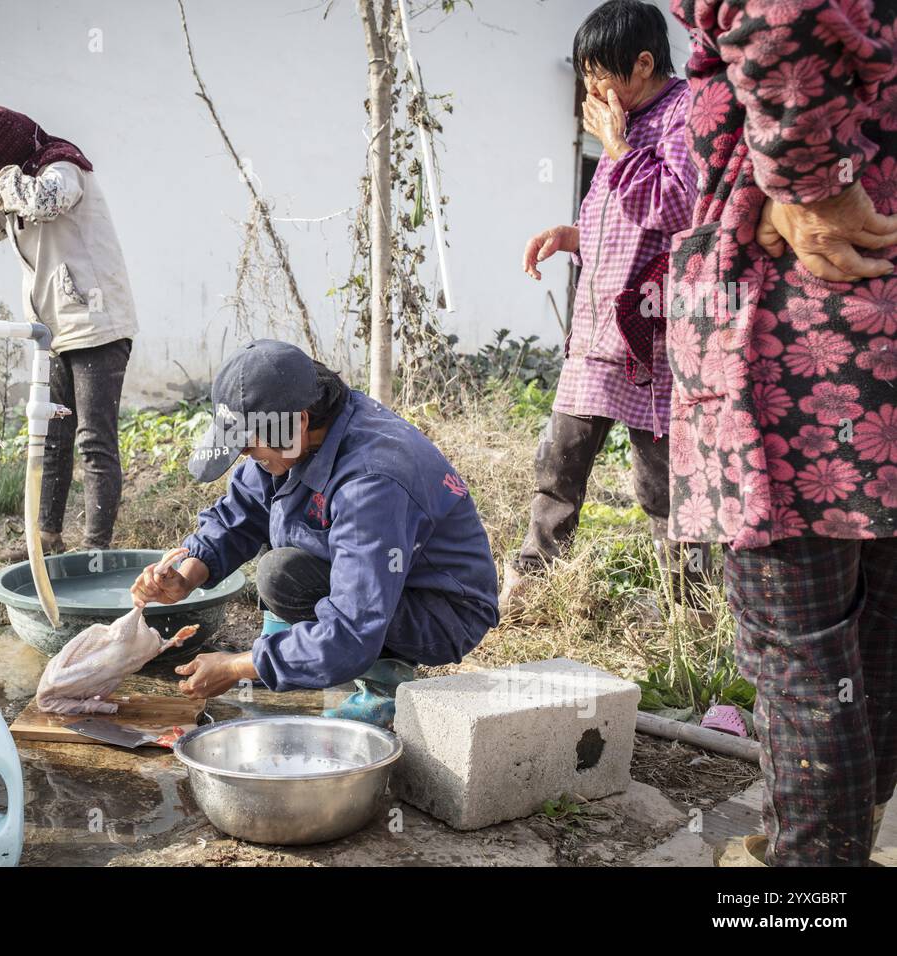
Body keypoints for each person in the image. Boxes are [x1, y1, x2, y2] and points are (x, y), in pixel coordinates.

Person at [668, 0, 897, 867]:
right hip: (873, 307)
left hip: (802, 325)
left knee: (801, 647)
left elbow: (776, 8)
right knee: (875, 626)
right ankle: (839, 851)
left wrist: (811, 186)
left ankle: (806, 890)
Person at [128, 340, 499, 727]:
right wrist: (189, 573)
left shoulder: (372, 481)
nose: (245, 455)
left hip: (442, 611)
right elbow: (244, 509)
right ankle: (300, 652)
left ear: (299, 422)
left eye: (248, 444)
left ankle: (384, 690)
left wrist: (238, 666)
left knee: (286, 579)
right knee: (282, 572)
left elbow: (352, 631)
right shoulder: (296, 428)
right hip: (391, 580)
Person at [506, 0, 699, 617]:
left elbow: (672, 209)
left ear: (643, 64)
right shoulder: (623, 121)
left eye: (598, 75)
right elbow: (618, 227)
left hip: (653, 340)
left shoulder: (684, 115)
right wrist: (570, 236)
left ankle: (687, 608)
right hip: (596, 338)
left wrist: (614, 145)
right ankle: (530, 586)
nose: (589, 90)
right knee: (558, 463)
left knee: (661, 484)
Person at [0, 104, 138, 552]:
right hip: (51, 329)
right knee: (50, 437)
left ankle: (95, 550)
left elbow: (43, 202)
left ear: (5, 153)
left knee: (94, 442)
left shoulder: (62, 167)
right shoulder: (20, 183)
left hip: (96, 323)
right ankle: (46, 537)